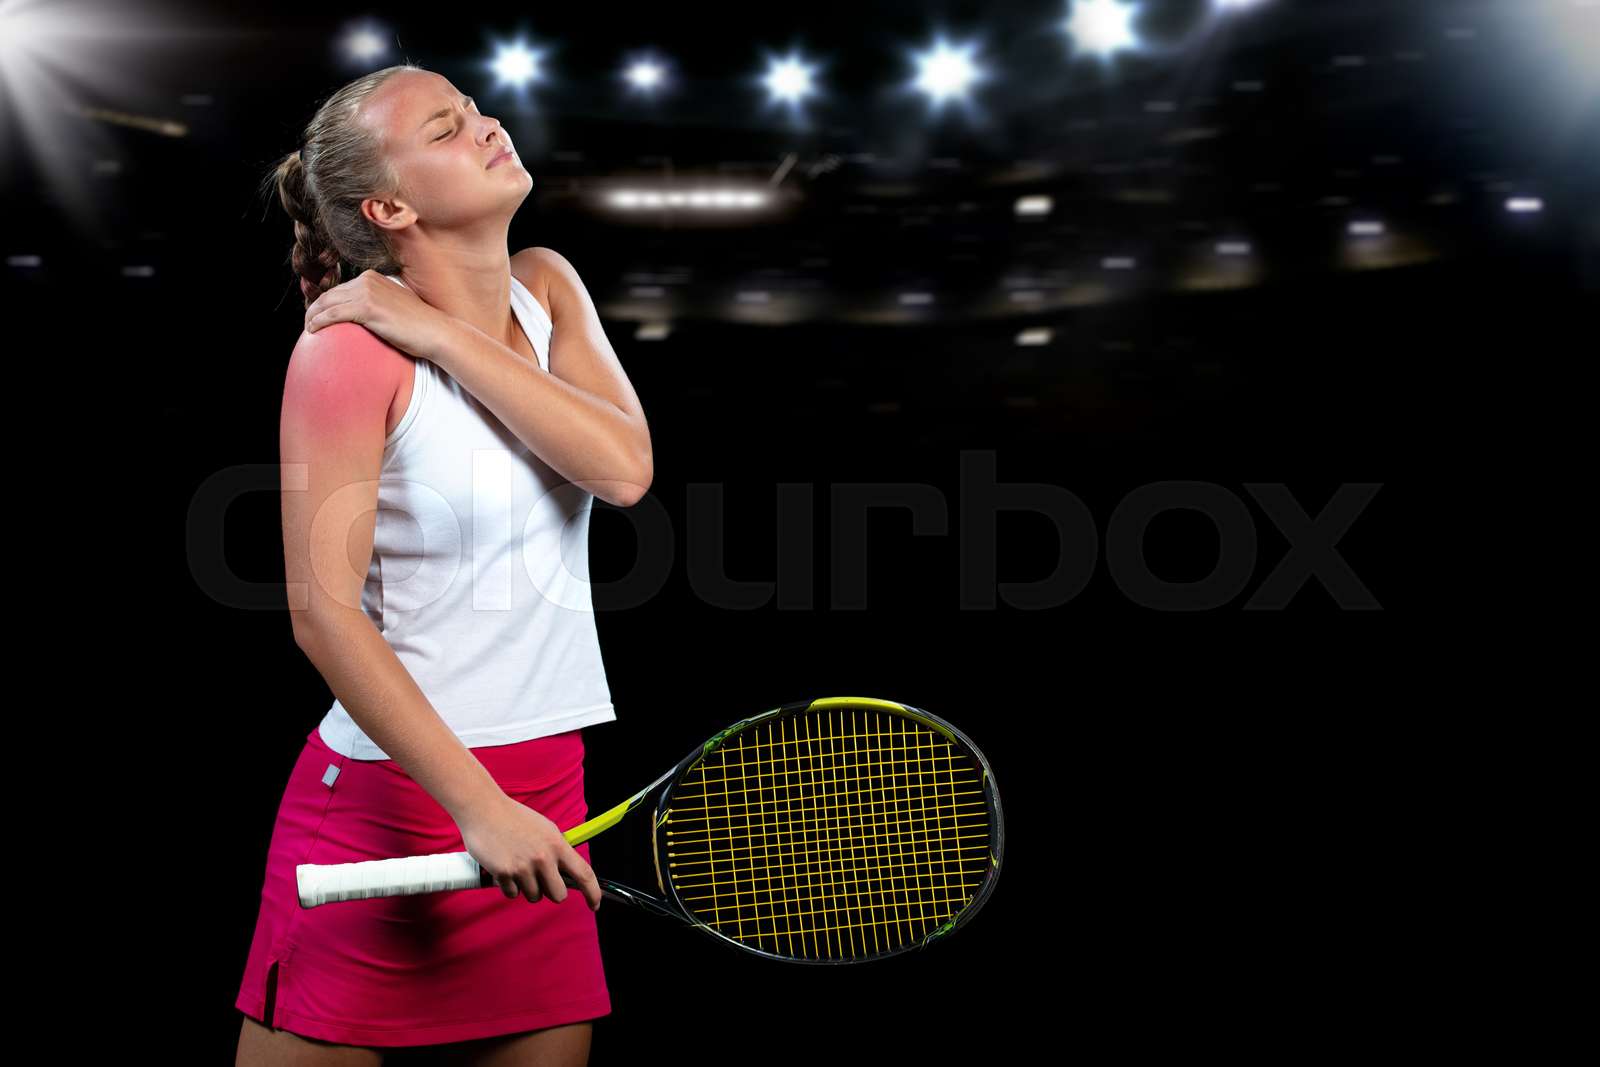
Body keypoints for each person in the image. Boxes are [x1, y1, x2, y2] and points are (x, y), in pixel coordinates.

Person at [235, 63, 653, 1066]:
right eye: (445, 128)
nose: (487, 126)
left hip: (550, 798)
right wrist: (476, 805)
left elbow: (623, 468)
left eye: (474, 111)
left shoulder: (548, 286)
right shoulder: (344, 353)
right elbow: (322, 614)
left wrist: (438, 333)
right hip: (390, 800)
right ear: (389, 206)